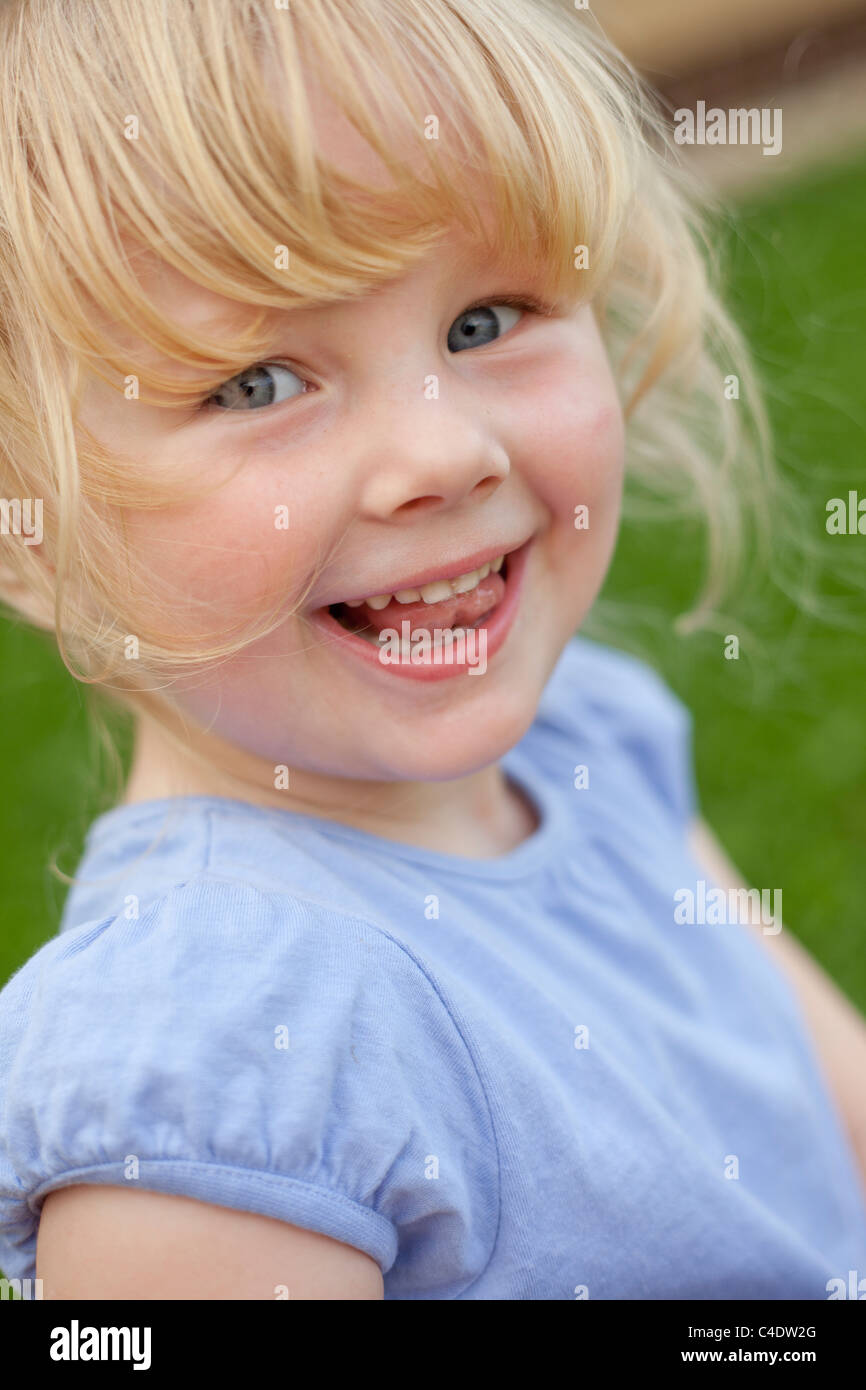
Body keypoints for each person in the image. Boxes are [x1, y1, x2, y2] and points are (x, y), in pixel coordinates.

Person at [0, 0, 864, 1300]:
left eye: (485, 321)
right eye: (255, 383)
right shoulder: (208, 1073)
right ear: (27, 536)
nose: (444, 452)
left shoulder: (584, 736)